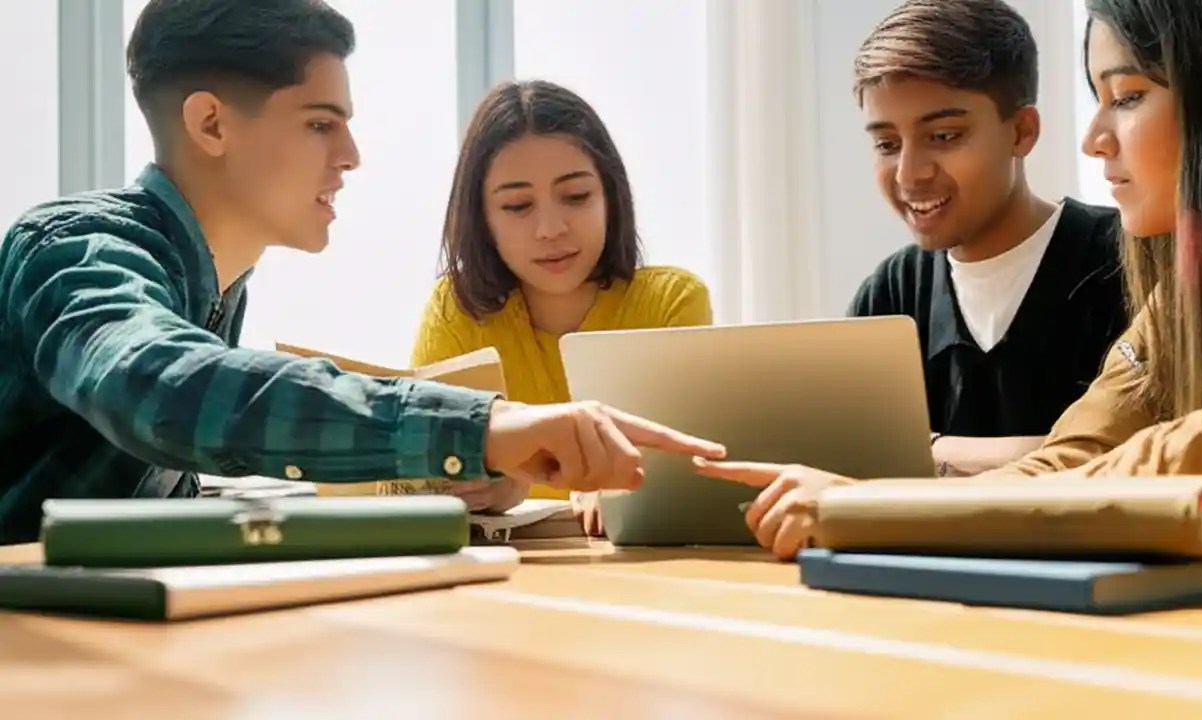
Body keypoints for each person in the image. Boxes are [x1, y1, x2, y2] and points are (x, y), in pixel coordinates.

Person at [0, 0, 724, 545]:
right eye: (321, 122)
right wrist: (483, 427)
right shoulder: (75, 247)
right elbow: (160, 387)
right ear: (211, 124)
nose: (351, 154)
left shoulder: (212, 289)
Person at [696, 0, 1202, 559]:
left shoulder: (1115, 257)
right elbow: (1073, 456)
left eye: (1127, 97)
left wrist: (875, 503)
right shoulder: (1186, 291)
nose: (1094, 138)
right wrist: (874, 504)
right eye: (885, 143)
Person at [408, 79, 712, 532]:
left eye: (576, 197)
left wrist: (617, 484)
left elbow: (688, 474)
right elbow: (426, 468)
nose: (550, 228)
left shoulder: (672, 303)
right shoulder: (456, 310)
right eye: (517, 206)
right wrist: (501, 487)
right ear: (482, 218)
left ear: (610, 196)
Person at [847, 0, 1127, 477]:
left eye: (943, 136)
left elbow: (1145, 455)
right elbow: (850, 458)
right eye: (887, 145)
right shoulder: (890, 294)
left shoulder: (1123, 262)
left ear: (1021, 132)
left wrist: (929, 450)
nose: (910, 175)